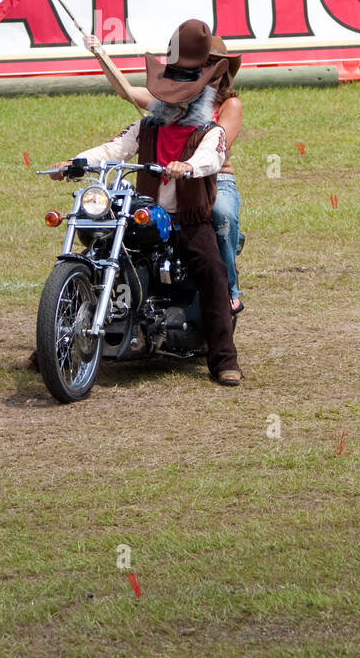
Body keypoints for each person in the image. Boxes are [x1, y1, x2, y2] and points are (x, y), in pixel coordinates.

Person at [54, 19, 242, 387]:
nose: (172, 98)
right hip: (145, 213)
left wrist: (187, 166)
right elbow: (114, 149)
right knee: (100, 252)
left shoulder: (211, 130)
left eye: (181, 91)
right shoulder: (147, 126)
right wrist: (75, 161)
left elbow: (213, 158)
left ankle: (223, 358)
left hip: (189, 216)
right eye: (167, 90)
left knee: (211, 269)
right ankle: (52, 347)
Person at [82, 32, 244, 315]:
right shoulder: (170, 99)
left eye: (214, 66)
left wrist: (189, 163)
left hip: (213, 179)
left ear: (224, 73)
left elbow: (218, 148)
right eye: (202, 64)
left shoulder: (230, 105)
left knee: (221, 215)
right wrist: (101, 55)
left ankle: (229, 287)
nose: (207, 71)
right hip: (165, 175)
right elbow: (127, 92)